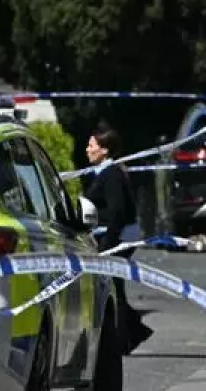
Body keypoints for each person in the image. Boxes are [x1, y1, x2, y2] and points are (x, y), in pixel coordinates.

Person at [84, 124, 153, 354]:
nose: (87, 149)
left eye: (91, 145)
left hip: (119, 236)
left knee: (113, 284)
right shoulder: (103, 173)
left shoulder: (111, 175)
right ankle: (132, 330)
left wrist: (108, 243)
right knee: (112, 284)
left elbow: (117, 212)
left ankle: (124, 336)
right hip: (113, 234)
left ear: (104, 150)